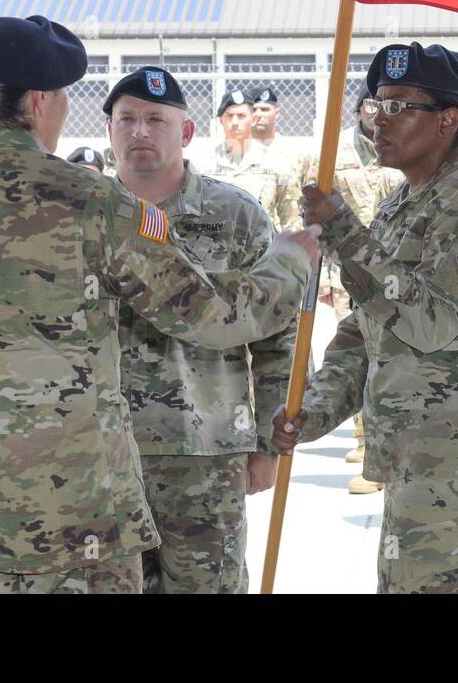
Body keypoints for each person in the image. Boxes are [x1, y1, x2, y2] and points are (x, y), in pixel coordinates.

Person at [0, 17, 320, 594]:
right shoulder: (93, 202)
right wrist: (288, 261)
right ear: (39, 101)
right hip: (81, 510)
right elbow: (211, 316)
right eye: (62, 95)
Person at [274, 41, 458, 594]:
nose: (379, 121)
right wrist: (313, 409)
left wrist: (345, 232)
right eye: (377, 105)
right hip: (417, 445)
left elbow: (430, 321)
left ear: (449, 120)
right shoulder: (404, 202)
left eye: (399, 107)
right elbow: (365, 332)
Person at [104, 66, 297, 593]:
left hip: (206, 452)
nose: (140, 131)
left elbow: (277, 337)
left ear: (186, 132)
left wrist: (268, 444)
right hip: (101, 453)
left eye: (156, 120)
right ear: (110, 131)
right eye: (127, 120)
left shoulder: (235, 215)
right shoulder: (87, 216)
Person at [302, 85, 400, 493]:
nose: (378, 114)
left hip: (396, 275)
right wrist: (324, 276)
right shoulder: (333, 155)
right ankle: (365, 443)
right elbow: (313, 221)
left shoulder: (404, 153)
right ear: (359, 110)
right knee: (357, 351)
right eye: (371, 105)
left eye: (388, 105)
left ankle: (382, 451)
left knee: (390, 358)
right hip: (350, 273)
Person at [210, 89, 301, 230]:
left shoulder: (275, 162)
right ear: (221, 120)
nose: (235, 122)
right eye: (229, 116)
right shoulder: (204, 164)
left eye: (241, 116)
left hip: (264, 242)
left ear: (253, 119)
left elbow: (291, 219)